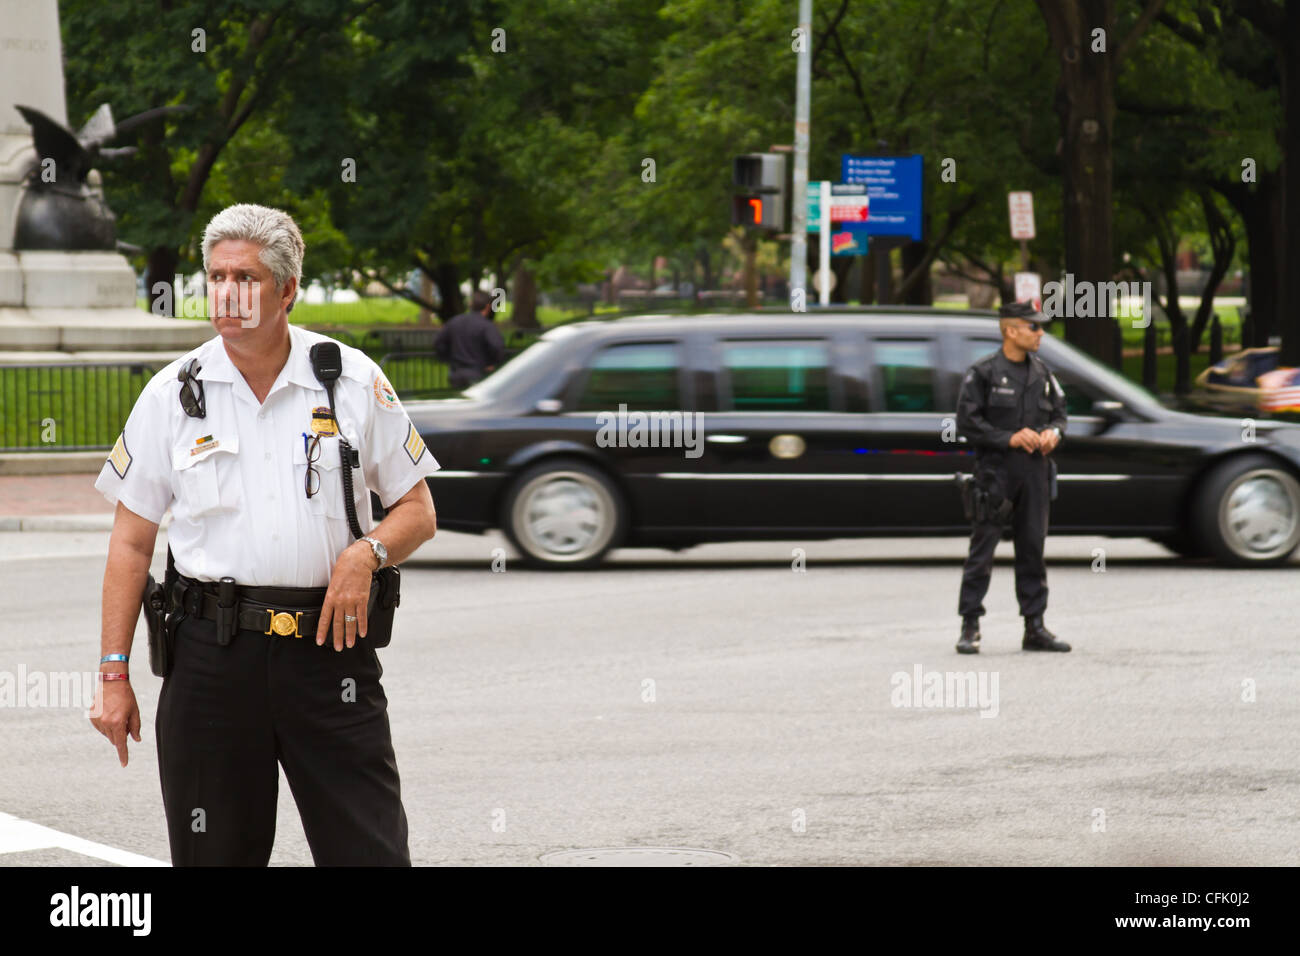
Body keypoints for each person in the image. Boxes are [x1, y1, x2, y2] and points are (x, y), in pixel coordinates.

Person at [88, 203, 440, 865]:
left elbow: (418, 508)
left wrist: (368, 552)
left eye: (245, 278)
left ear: (286, 291)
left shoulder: (353, 380)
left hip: (331, 657)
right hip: (211, 663)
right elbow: (131, 543)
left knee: (371, 853)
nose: (226, 293)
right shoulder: (171, 394)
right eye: (216, 276)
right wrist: (113, 674)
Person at [955, 299, 1071, 654]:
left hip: (1035, 472)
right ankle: (970, 625)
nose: (1040, 333)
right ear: (1010, 330)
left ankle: (1034, 627)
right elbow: (967, 423)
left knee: (1033, 548)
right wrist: (1008, 438)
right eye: (1033, 327)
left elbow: (1060, 416)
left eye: (1040, 326)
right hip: (996, 474)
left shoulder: (1043, 373)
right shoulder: (984, 373)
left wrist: (1054, 434)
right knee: (983, 550)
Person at [433, 289, 506, 388]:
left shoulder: (455, 322)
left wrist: (447, 358)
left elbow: (438, 343)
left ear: (470, 304)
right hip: (479, 373)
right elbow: (497, 347)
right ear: (488, 307)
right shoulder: (487, 326)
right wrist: (492, 363)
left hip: (456, 373)